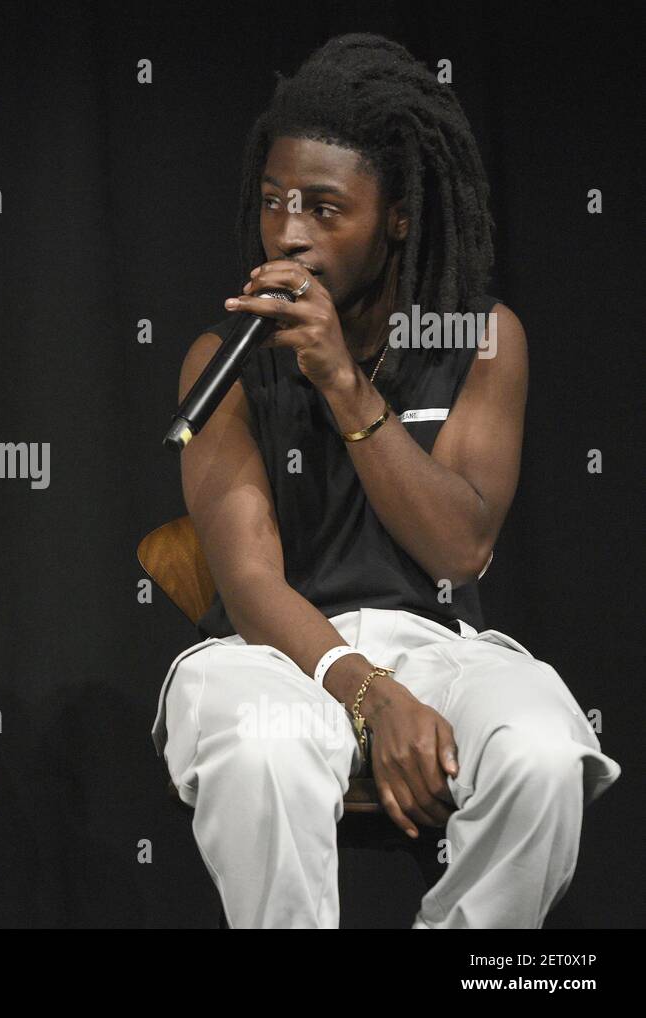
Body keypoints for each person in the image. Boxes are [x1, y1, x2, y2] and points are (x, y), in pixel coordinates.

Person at [152, 35, 619, 928]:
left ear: (396, 218)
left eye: (326, 209)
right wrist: (368, 691)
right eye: (275, 203)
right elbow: (249, 585)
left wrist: (342, 384)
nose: (290, 232)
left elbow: (460, 545)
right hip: (279, 657)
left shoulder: (479, 338)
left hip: (440, 651)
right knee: (262, 754)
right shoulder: (223, 362)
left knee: (545, 756)